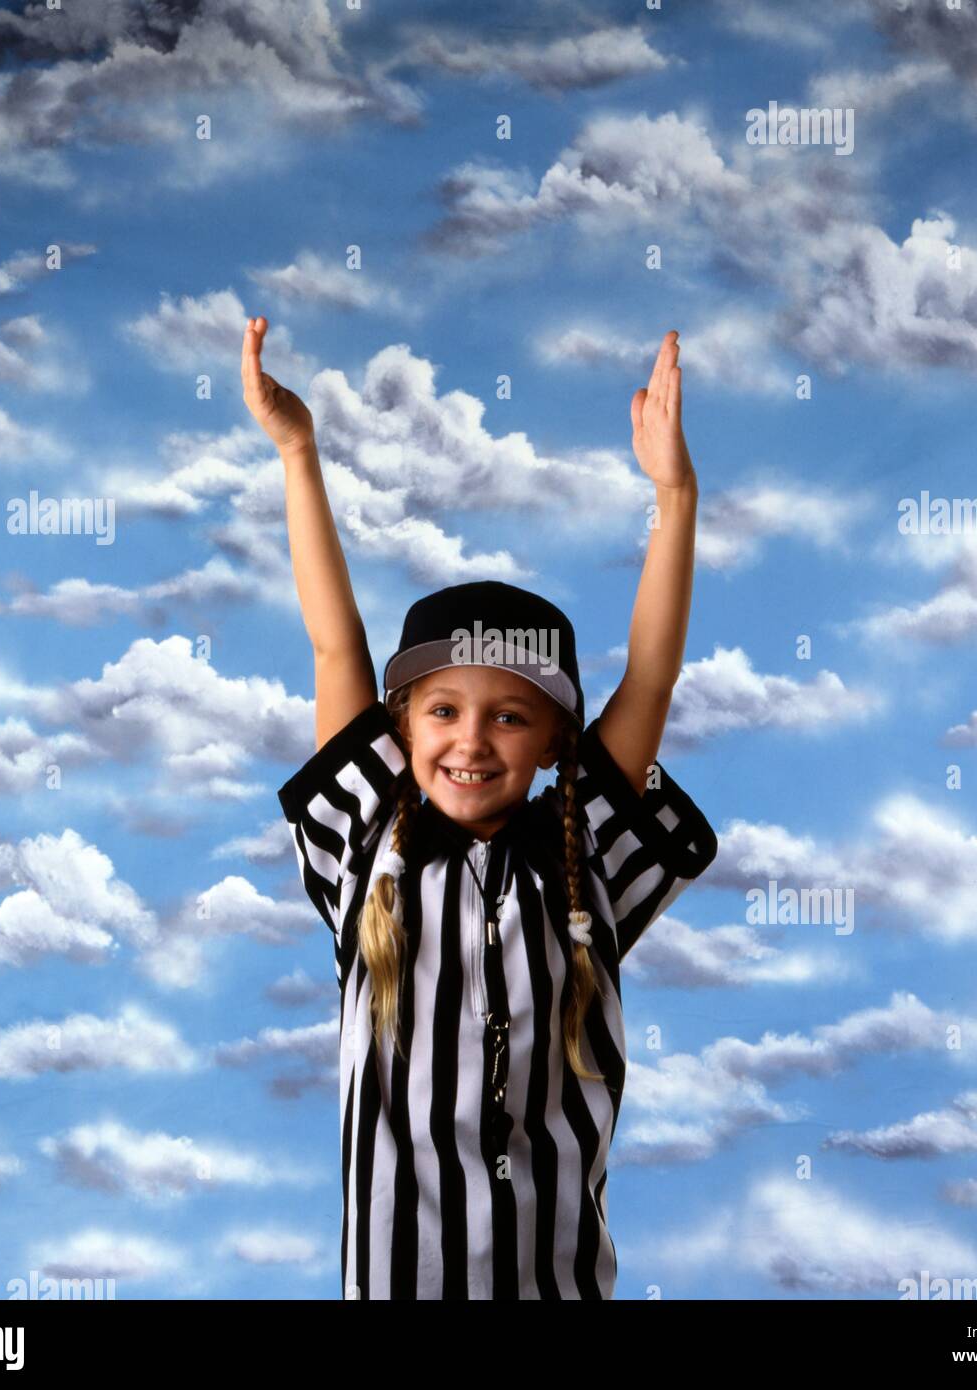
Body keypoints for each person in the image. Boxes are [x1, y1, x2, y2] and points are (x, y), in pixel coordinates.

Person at [243, 315, 718, 1299]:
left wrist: (673, 498)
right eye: (446, 710)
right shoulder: (367, 842)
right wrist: (298, 453)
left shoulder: (580, 853)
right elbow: (337, 645)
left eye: (509, 716)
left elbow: (652, 679)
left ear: (554, 743)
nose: (471, 739)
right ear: (403, 723)